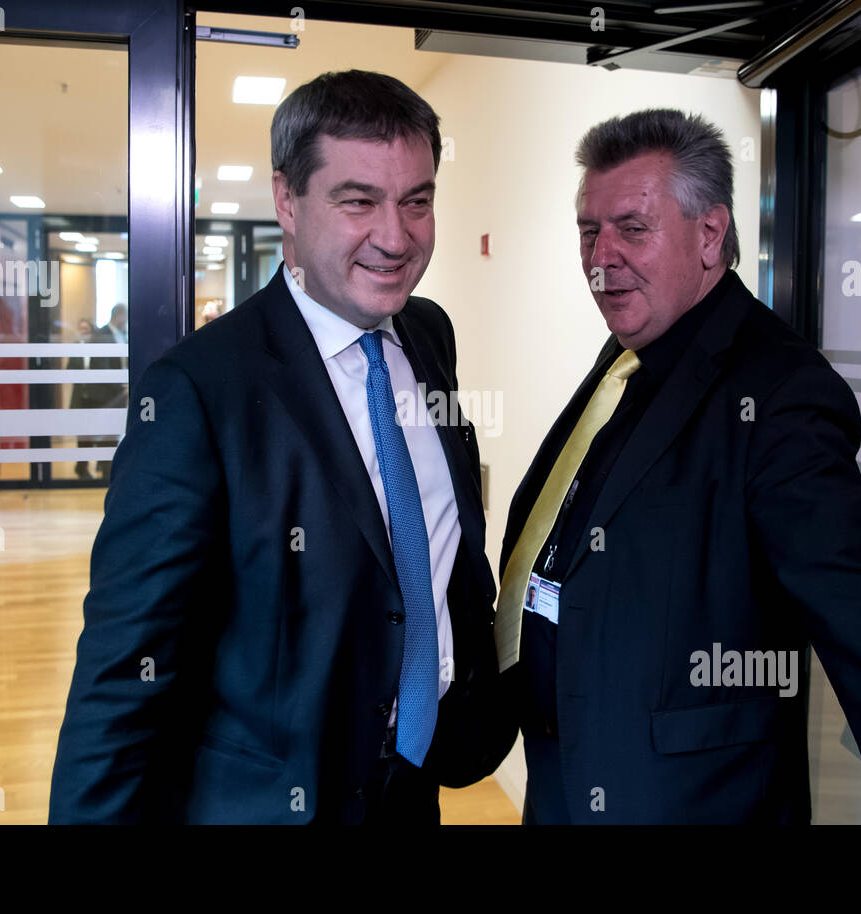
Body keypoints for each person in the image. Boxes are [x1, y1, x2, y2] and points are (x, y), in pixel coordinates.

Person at [497, 108, 861, 825]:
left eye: (632, 228)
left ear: (710, 234)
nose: (602, 258)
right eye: (588, 230)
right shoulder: (627, 356)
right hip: (568, 782)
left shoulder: (779, 391)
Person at [49, 70, 515, 824]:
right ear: (286, 201)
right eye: (358, 200)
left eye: (417, 201)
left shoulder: (428, 336)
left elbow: (437, 546)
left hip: (411, 792)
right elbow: (121, 684)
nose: (395, 237)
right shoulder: (196, 393)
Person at [69, 311, 126, 481]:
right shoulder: (75, 348)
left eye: (86, 328)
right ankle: (82, 469)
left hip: (99, 398)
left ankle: (104, 466)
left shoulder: (99, 346)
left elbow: (105, 371)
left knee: (103, 434)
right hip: (80, 398)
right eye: (81, 328)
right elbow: (70, 370)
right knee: (83, 436)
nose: (83, 331)